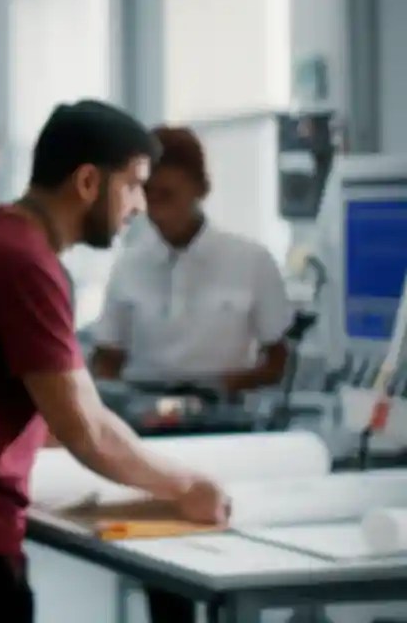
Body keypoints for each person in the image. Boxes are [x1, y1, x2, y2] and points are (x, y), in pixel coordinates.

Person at [0, 100, 230, 622]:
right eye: (131, 185)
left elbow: (24, 404)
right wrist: (188, 485)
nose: (139, 206)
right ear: (87, 182)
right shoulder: (24, 262)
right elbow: (85, 428)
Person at [90, 125, 292, 623]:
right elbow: (107, 359)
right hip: (151, 432)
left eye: (170, 195)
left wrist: (221, 386)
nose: (158, 208)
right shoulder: (130, 264)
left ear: (200, 190)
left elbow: (278, 360)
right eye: (149, 194)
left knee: (233, 562)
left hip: (226, 427)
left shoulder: (249, 260)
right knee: (166, 573)